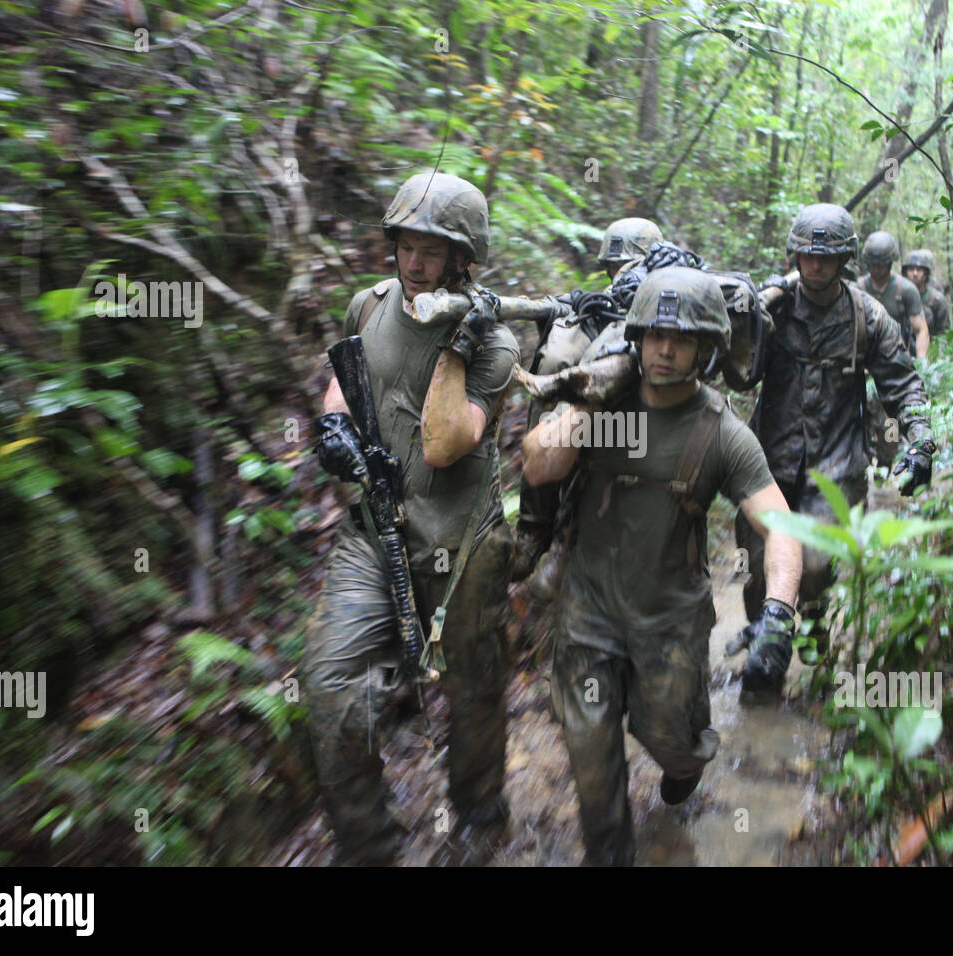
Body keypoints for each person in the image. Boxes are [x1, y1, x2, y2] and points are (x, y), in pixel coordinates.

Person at [521, 267, 802, 865]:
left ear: (707, 349)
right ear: (636, 340)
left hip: (671, 622)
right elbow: (537, 467)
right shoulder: (606, 411)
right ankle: (611, 853)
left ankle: (684, 765)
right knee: (590, 756)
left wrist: (777, 610)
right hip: (588, 616)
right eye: (652, 336)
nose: (664, 349)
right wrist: (587, 404)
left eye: (680, 339)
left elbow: (780, 526)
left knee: (672, 741)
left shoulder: (722, 432)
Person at [306, 171, 518, 866]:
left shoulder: (497, 346)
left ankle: (480, 814)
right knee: (331, 683)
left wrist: (459, 342)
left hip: (462, 545)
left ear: (465, 258)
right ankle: (371, 849)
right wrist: (334, 426)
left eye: (436, 250)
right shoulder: (367, 306)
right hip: (373, 531)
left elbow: (445, 441)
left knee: (475, 686)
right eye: (408, 245)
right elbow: (347, 374)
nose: (418, 263)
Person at [734, 205, 935, 696]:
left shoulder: (869, 316)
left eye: (826, 258)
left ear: (845, 260)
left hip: (837, 463)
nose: (815, 266)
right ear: (795, 255)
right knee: (759, 570)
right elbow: (735, 371)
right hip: (768, 463)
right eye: (807, 256)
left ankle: (817, 621)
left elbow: (903, 384)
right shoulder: (772, 308)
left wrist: (921, 439)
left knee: (818, 567)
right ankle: (765, 662)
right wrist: (750, 315)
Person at [512, 218, 666, 583]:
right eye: (613, 269)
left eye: (626, 267)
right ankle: (540, 528)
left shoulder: (672, 308)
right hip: (595, 429)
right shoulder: (594, 313)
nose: (619, 275)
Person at [858, 231, 929, 359]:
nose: (876, 269)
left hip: (896, 357)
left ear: (890, 263)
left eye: (881, 265)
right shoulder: (857, 289)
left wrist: (921, 362)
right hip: (862, 357)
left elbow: (921, 330)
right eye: (873, 264)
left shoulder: (906, 290)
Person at [902, 249, 952, 338]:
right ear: (905, 272)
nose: (915, 273)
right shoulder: (899, 297)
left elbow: (944, 334)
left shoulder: (937, 300)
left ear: (925, 272)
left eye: (919, 269)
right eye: (911, 269)